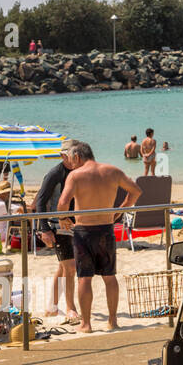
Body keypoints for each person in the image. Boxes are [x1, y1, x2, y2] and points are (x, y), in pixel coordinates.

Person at [57, 141, 140, 333]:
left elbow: (62, 202)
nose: (70, 164)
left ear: (77, 157)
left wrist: (63, 218)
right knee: (109, 276)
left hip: (84, 230)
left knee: (84, 278)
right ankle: (113, 321)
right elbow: (136, 191)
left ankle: (86, 324)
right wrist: (122, 209)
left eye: (70, 159)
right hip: (106, 229)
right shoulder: (112, 171)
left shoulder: (75, 175)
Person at [37, 141, 80, 323]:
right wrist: (45, 229)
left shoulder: (79, 171)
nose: (75, 159)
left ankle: (52, 306)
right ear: (63, 156)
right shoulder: (55, 173)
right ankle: (71, 308)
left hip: (77, 225)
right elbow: (39, 201)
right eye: (71, 155)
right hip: (57, 225)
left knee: (63, 267)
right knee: (70, 267)